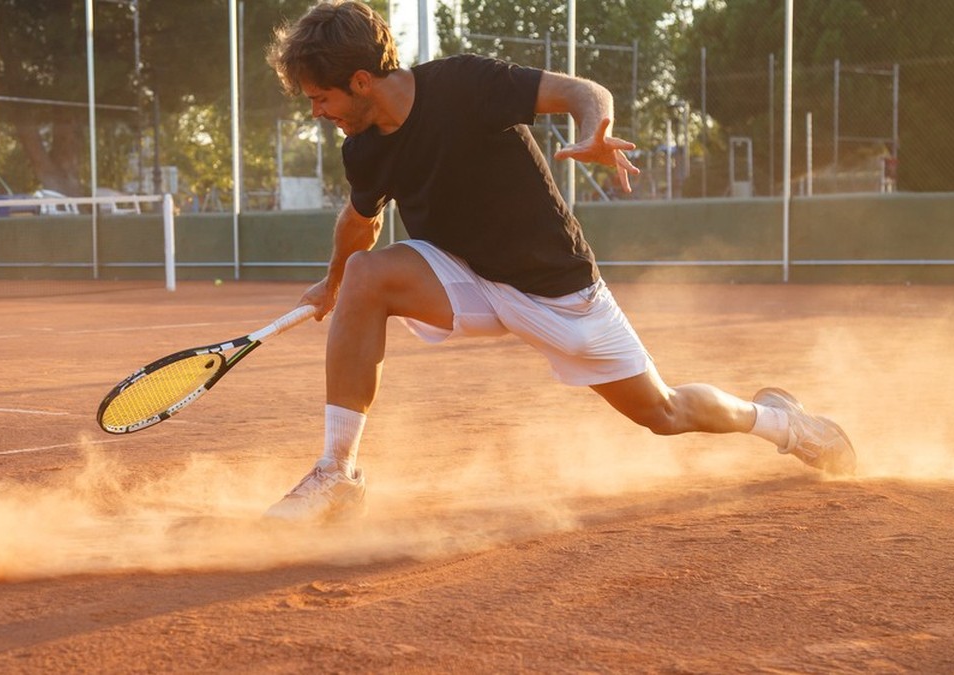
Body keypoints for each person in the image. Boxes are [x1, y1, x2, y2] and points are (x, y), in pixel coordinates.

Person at [262, 1, 855, 523]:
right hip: (464, 274)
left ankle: (783, 423)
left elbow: (579, 91)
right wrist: (335, 283)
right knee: (369, 274)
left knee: (663, 412)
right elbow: (359, 222)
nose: (317, 112)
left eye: (321, 98)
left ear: (361, 80)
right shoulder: (363, 148)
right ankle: (336, 474)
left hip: (556, 290)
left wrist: (595, 129)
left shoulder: (465, 84)